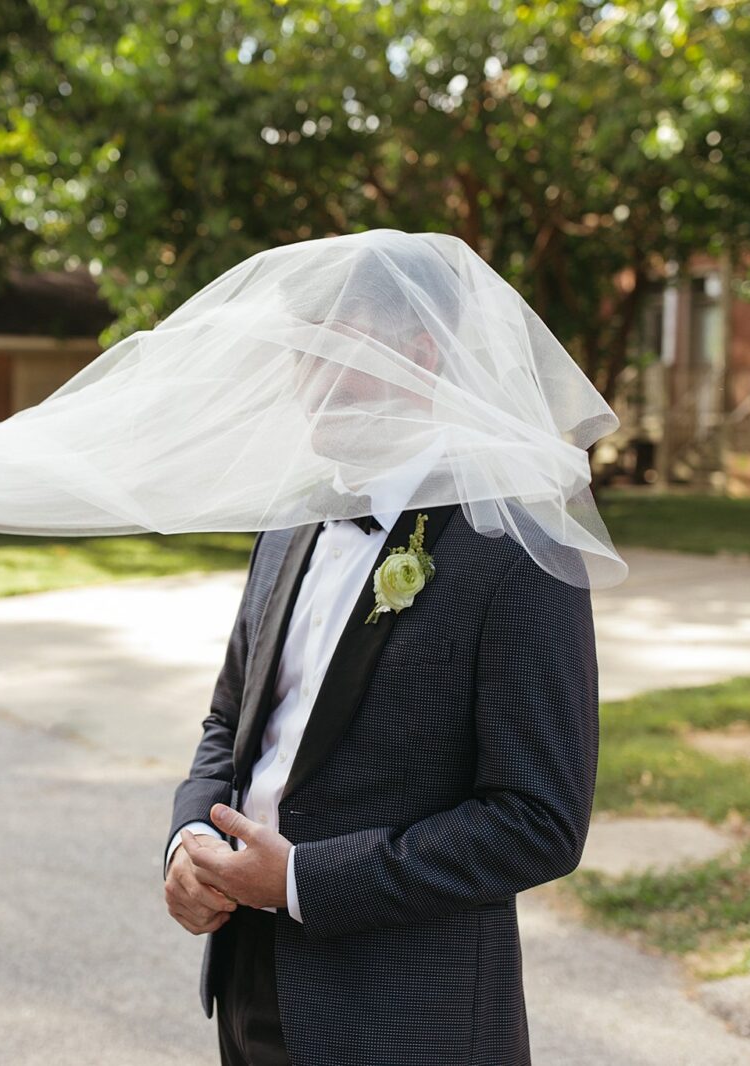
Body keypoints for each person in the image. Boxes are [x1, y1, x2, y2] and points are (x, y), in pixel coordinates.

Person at [161, 237, 602, 1066]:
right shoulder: (290, 524)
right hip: (250, 979)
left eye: (338, 353)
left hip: (405, 1016)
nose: (311, 385)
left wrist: (302, 881)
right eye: (302, 355)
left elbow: (539, 820)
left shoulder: (515, 548)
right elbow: (229, 723)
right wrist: (189, 840)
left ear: (422, 355)